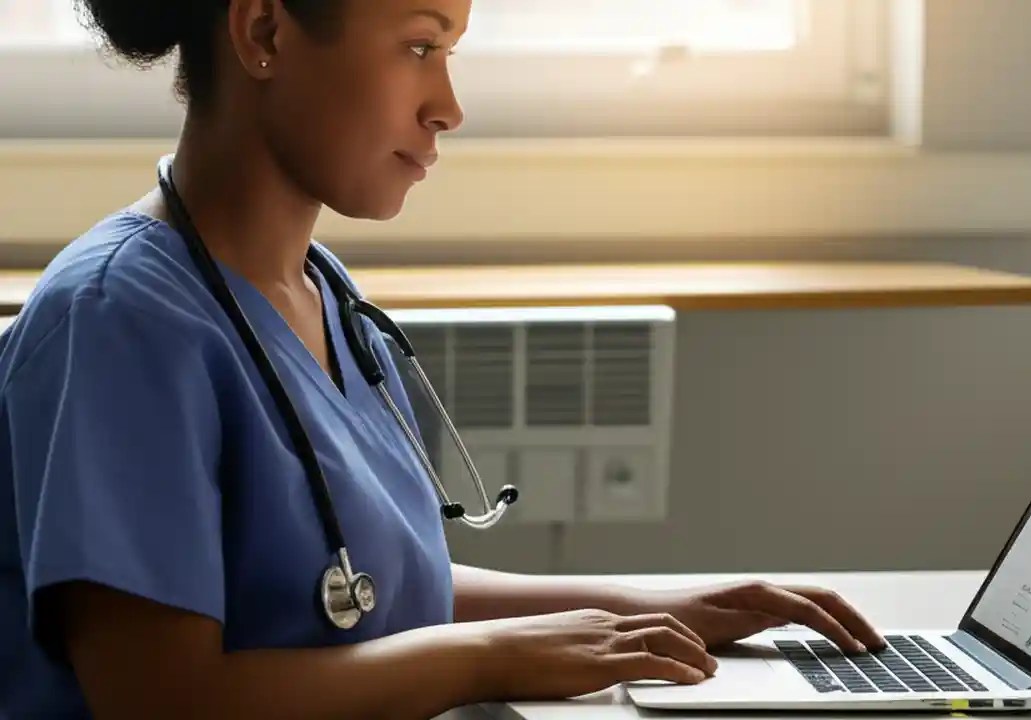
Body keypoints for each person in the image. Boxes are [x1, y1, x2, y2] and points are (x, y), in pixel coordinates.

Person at [0, 1, 886, 717]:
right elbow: (162, 699)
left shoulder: (316, 290)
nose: (448, 107)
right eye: (420, 45)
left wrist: (645, 605)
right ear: (264, 32)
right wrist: (485, 660)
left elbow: (361, 588)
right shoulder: (118, 321)